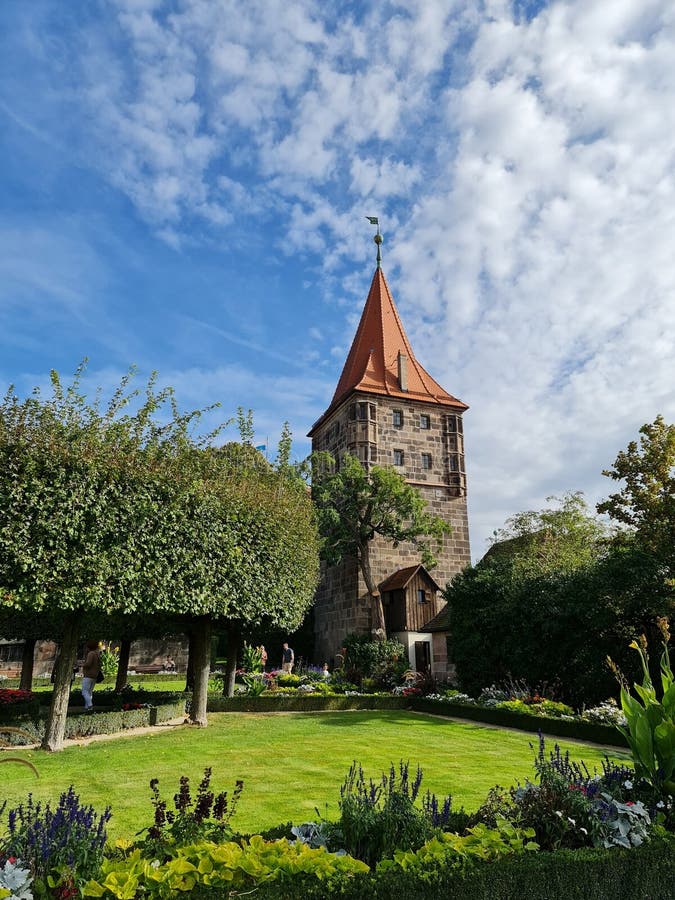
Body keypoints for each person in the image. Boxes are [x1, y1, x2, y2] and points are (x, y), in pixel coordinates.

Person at [81, 639, 101, 711]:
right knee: (89, 692)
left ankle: (90, 705)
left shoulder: (91, 654)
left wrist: (81, 665)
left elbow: (88, 664)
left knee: (84, 692)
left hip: (88, 675)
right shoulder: (97, 654)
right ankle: (87, 708)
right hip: (95, 675)